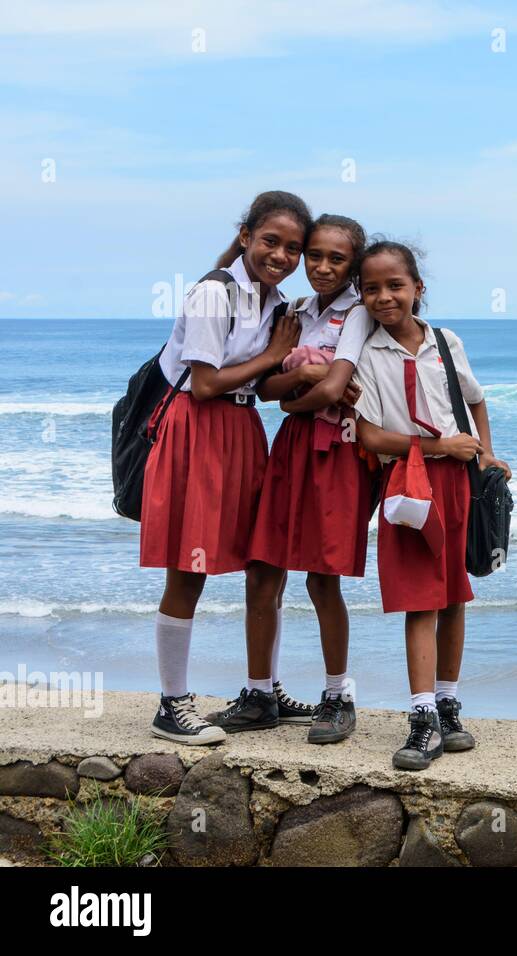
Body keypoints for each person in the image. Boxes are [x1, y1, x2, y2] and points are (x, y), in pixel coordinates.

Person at [140, 191, 310, 744]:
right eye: (270, 242)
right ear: (245, 237)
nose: (281, 256)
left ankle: (264, 689)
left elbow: (255, 390)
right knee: (188, 568)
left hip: (241, 432)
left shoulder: (270, 301)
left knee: (265, 562)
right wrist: (273, 354)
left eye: (293, 248)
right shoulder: (214, 294)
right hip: (197, 428)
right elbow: (209, 382)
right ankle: (172, 703)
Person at [207, 215, 374, 743]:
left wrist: (297, 389)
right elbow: (264, 388)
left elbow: (333, 393)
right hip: (291, 447)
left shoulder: (363, 312)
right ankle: (260, 693)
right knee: (263, 569)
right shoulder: (294, 311)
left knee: (322, 577)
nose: (322, 267)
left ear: (354, 264)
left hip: (338, 451)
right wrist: (301, 377)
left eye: (336, 259)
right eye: (315, 255)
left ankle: (338, 696)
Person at [350, 240, 511, 770]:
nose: (384, 296)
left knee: (454, 596)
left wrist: (485, 455)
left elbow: (475, 399)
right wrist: (439, 446)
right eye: (371, 288)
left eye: (395, 285)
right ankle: (421, 719)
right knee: (420, 597)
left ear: (418, 288)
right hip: (408, 486)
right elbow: (371, 436)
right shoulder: (367, 355)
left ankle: (447, 703)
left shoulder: (445, 341)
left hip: (458, 482)